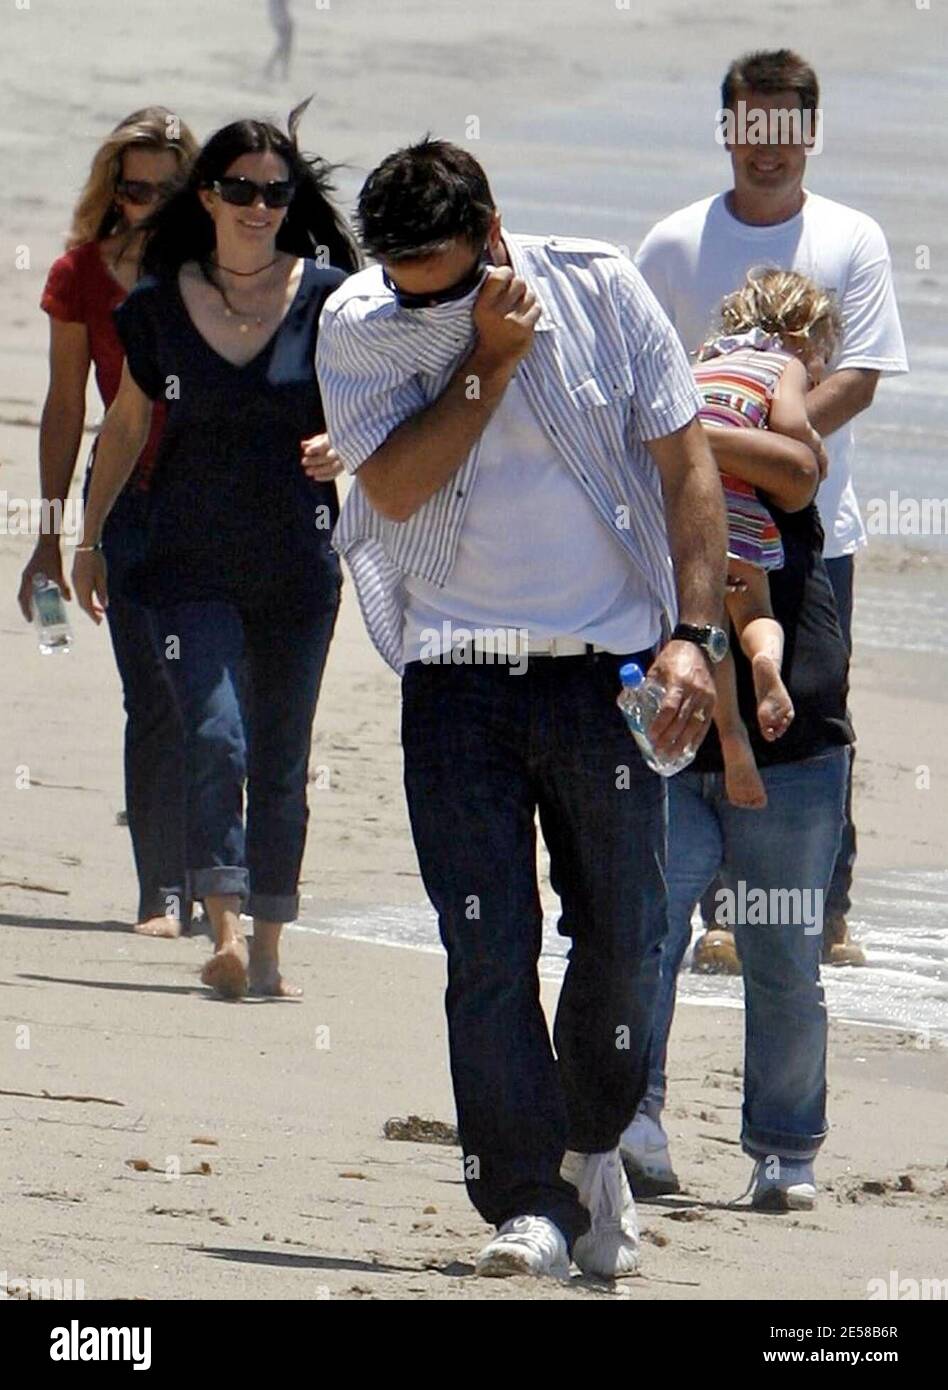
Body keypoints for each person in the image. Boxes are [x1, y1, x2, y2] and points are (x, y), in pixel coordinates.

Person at [315, 138, 727, 1280]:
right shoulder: (360, 321)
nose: (422, 300)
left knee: (626, 931)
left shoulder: (600, 286)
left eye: (445, 278)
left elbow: (687, 464)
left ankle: (591, 1141)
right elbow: (392, 487)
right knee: (484, 946)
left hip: (610, 676)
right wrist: (484, 358)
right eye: (408, 282)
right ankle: (525, 1201)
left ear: (493, 235)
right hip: (455, 679)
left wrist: (694, 640)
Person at [72, 114, 360, 999]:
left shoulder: (333, 300)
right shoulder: (157, 305)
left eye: (276, 192)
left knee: (280, 754)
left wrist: (344, 446)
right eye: (239, 189)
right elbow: (124, 423)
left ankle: (269, 945)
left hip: (297, 571)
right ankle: (225, 930)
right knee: (214, 734)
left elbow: (379, 406)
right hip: (185, 560)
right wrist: (87, 537)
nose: (258, 207)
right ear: (207, 195)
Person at [635, 47, 908, 967]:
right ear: (728, 131)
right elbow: (646, 378)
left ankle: (827, 908)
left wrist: (763, 455)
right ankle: (717, 913)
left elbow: (860, 375)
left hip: (817, 525)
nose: (767, 146)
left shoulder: (852, 238)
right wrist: (716, 473)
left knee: (814, 703)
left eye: (785, 125)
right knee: (706, 684)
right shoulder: (673, 243)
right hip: (691, 524)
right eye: (751, 125)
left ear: (811, 132)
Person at [619, 370, 852, 1209]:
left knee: (783, 954)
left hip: (795, 755)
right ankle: (631, 1122)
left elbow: (801, 462)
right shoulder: (651, 483)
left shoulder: (779, 482)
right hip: (672, 748)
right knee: (644, 940)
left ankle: (786, 1150)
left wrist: (687, 432)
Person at [18, 107, 198, 939]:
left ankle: (217, 876)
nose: (149, 206)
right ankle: (160, 890)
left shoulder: (217, 268)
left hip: (223, 500)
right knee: (154, 698)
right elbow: (63, 407)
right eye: (134, 189)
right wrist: (50, 536)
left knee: (218, 695)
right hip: (124, 496)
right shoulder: (80, 275)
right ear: (111, 190)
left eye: (167, 191)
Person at [696, 268, 842, 813]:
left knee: (702, 624)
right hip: (738, 504)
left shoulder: (702, 359)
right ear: (807, 337)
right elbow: (788, 426)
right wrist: (812, 445)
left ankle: (731, 734)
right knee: (754, 609)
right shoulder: (784, 364)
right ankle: (766, 665)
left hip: (690, 508)